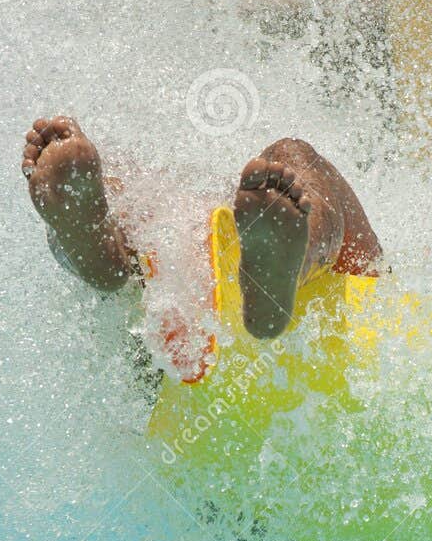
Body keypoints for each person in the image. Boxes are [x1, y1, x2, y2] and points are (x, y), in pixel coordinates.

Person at [20, 117, 384, 370]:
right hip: (356, 336)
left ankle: (101, 255)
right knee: (297, 159)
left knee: (130, 194)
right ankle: (294, 264)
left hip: (151, 371)